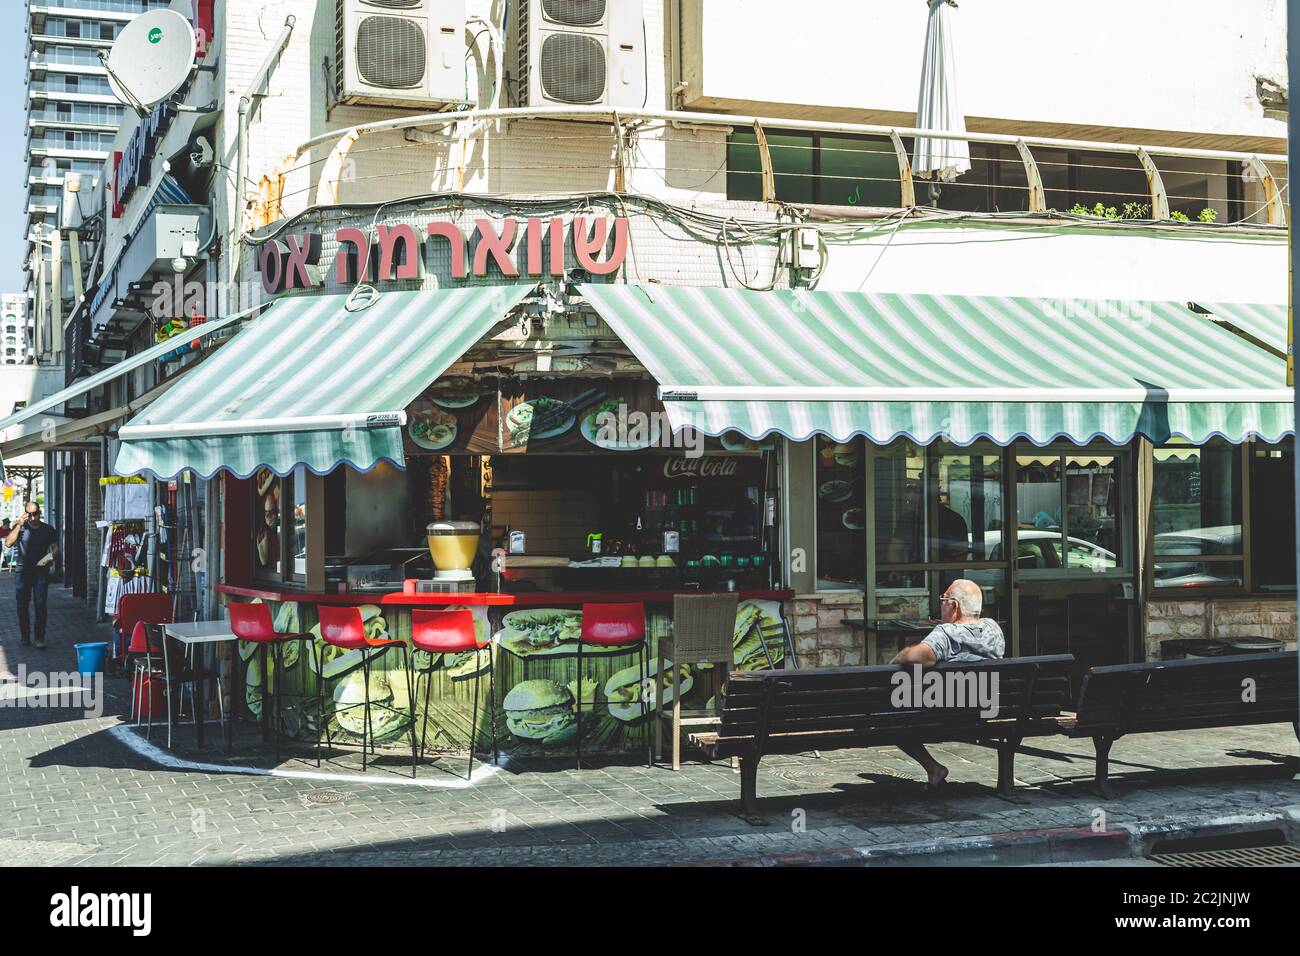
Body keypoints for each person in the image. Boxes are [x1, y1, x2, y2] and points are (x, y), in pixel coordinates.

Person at [890, 578, 1004, 787]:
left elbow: (915, 658)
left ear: (954, 606)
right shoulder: (994, 629)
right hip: (985, 711)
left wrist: (898, 657)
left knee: (892, 717)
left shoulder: (945, 634)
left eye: (943, 600)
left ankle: (933, 768)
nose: (940, 603)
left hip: (945, 714)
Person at [5, 502, 60, 649]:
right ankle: (25, 636)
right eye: (29, 514)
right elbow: (8, 543)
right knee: (22, 605)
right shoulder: (21, 528)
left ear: (40, 512)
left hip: (41, 572)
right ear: (25, 514)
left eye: (35, 513)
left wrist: (47, 559)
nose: (33, 517)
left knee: (40, 604)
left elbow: (56, 550)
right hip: (22, 572)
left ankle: (39, 638)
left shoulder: (48, 529)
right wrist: (18, 525)